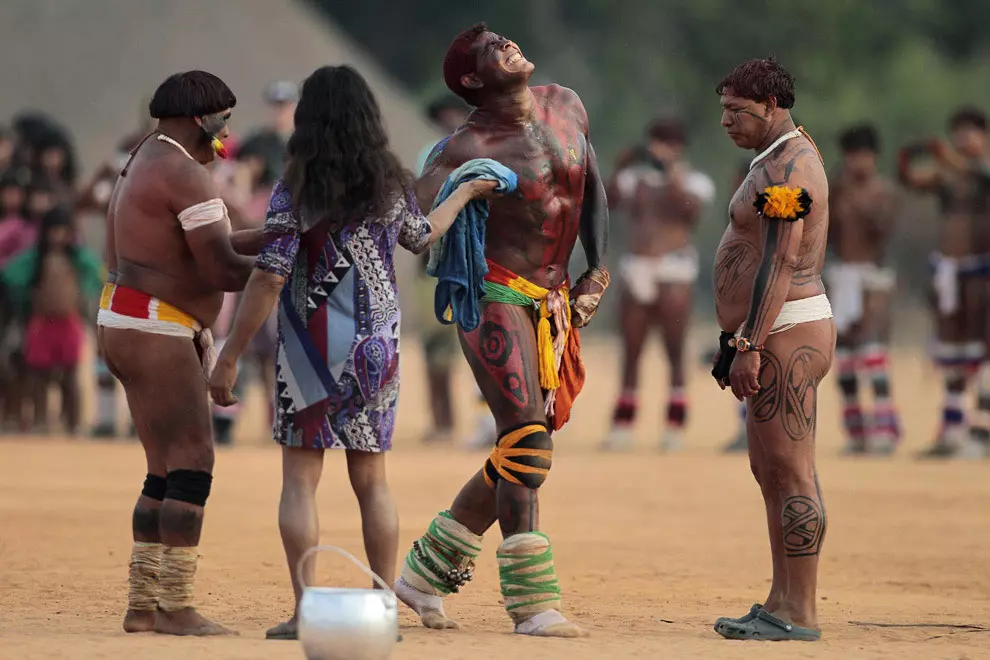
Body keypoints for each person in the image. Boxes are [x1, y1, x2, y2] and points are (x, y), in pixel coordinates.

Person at [207, 65, 495, 640]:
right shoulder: (389, 184)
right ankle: (382, 607)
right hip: (376, 349)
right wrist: (462, 191)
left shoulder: (297, 186)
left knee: (299, 482)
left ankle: (305, 608)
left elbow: (269, 277)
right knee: (373, 482)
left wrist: (231, 353)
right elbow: (423, 236)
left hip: (308, 349)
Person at [394, 24, 609, 638]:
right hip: (495, 294)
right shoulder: (463, 148)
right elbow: (412, 231)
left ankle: (422, 576)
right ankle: (531, 605)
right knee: (526, 441)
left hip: (555, 299)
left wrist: (597, 268)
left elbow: (589, 189)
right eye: (493, 50)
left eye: (505, 40)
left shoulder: (566, 104)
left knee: (525, 448)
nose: (508, 45)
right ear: (472, 80)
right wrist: (461, 193)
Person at [97, 70, 264, 636]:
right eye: (225, 119)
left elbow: (201, 251)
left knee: (163, 468)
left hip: (131, 319)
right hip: (155, 326)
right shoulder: (184, 173)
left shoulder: (146, 158)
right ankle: (175, 606)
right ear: (202, 118)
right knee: (194, 459)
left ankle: (143, 604)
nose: (226, 132)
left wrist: (273, 236)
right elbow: (219, 268)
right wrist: (282, 269)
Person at [710, 57, 834, 641]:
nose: (727, 122)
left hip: (785, 334)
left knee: (792, 470)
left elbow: (781, 261)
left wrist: (748, 343)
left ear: (771, 106)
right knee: (769, 471)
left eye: (738, 112)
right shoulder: (770, 159)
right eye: (723, 111)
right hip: (768, 333)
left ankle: (801, 611)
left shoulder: (790, 169)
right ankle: (779, 601)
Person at [601, 117, 714, 451]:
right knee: (632, 348)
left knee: (675, 349)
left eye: (668, 144)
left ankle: (674, 425)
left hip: (674, 270)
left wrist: (672, 175)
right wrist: (621, 164)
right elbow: (608, 203)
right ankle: (623, 422)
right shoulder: (635, 179)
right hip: (638, 268)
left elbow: (689, 212)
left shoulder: (694, 181)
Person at [899, 108, 990, 458]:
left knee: (984, 351)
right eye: (958, 132)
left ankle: (981, 434)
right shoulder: (950, 177)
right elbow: (911, 180)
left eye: (971, 132)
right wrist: (908, 156)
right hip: (952, 272)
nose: (964, 139)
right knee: (952, 351)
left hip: (983, 272)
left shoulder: (980, 172)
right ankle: (952, 431)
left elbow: (980, 172)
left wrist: (947, 158)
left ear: (983, 136)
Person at [826, 124, 901, 454]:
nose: (857, 162)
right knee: (844, 356)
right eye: (851, 156)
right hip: (842, 275)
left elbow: (881, 230)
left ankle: (886, 429)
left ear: (873, 157)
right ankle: (856, 432)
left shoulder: (883, 191)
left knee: (872, 352)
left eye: (862, 155)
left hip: (873, 277)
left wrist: (858, 201)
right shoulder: (835, 190)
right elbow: (826, 234)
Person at [1, 206, 103, 433]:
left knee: (71, 374)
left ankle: (73, 424)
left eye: (63, 231)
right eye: (54, 230)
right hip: (41, 322)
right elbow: (9, 273)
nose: (58, 236)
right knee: (38, 374)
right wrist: (27, 297)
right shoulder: (34, 257)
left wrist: (82, 291)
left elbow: (97, 271)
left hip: (69, 322)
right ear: (45, 231)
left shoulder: (78, 256)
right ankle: (39, 421)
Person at [414, 96, 475, 445]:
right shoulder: (429, 155)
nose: (449, 120)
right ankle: (442, 419)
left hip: (467, 263)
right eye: (444, 115)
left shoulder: (480, 156)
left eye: (455, 114)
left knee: (475, 345)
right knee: (434, 346)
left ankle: (482, 418)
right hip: (432, 264)